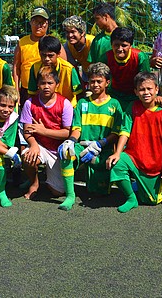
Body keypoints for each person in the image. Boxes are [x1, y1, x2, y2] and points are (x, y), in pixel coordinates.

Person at [56, 63, 125, 211]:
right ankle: (70, 196)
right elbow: (77, 128)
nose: (94, 84)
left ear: (107, 82)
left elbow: (116, 133)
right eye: (92, 81)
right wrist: (71, 141)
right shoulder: (82, 103)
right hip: (83, 145)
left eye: (99, 81)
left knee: (98, 194)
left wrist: (100, 144)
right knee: (66, 153)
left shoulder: (114, 104)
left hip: (103, 149)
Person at [106, 72, 162, 213]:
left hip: (154, 165)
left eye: (149, 89)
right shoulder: (132, 107)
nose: (146, 92)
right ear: (136, 92)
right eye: (142, 89)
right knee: (117, 163)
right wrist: (118, 153)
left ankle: (139, 185)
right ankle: (131, 198)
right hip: (134, 157)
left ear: (157, 90)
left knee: (151, 201)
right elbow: (124, 132)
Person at [20, 66, 74, 200]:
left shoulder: (65, 104)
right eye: (43, 83)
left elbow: (67, 133)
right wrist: (33, 145)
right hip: (39, 145)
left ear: (57, 84)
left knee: (57, 192)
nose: (46, 86)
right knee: (28, 157)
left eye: (50, 83)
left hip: (58, 149)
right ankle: (34, 183)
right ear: (38, 84)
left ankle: (49, 175)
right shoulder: (30, 103)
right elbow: (27, 130)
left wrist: (44, 131)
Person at [13, 7, 55, 107]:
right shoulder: (22, 43)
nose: (39, 25)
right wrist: (16, 91)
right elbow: (16, 67)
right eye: (36, 21)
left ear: (47, 24)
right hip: (26, 91)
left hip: (47, 91)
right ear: (31, 22)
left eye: (42, 22)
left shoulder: (53, 43)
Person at [27, 35, 83, 106]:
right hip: (43, 108)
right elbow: (31, 93)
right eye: (43, 55)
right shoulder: (35, 68)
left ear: (58, 54)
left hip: (67, 108)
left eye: (50, 56)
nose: (47, 59)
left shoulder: (69, 69)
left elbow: (79, 94)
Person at [105, 26, 151, 112]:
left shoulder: (140, 57)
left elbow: (146, 82)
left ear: (130, 45)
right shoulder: (106, 57)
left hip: (135, 98)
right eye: (116, 45)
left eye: (124, 45)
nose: (120, 49)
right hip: (113, 97)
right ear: (111, 44)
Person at [62, 15, 94, 83]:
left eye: (73, 32)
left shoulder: (93, 43)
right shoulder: (67, 46)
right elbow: (72, 67)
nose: (70, 35)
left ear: (82, 32)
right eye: (67, 32)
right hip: (85, 73)